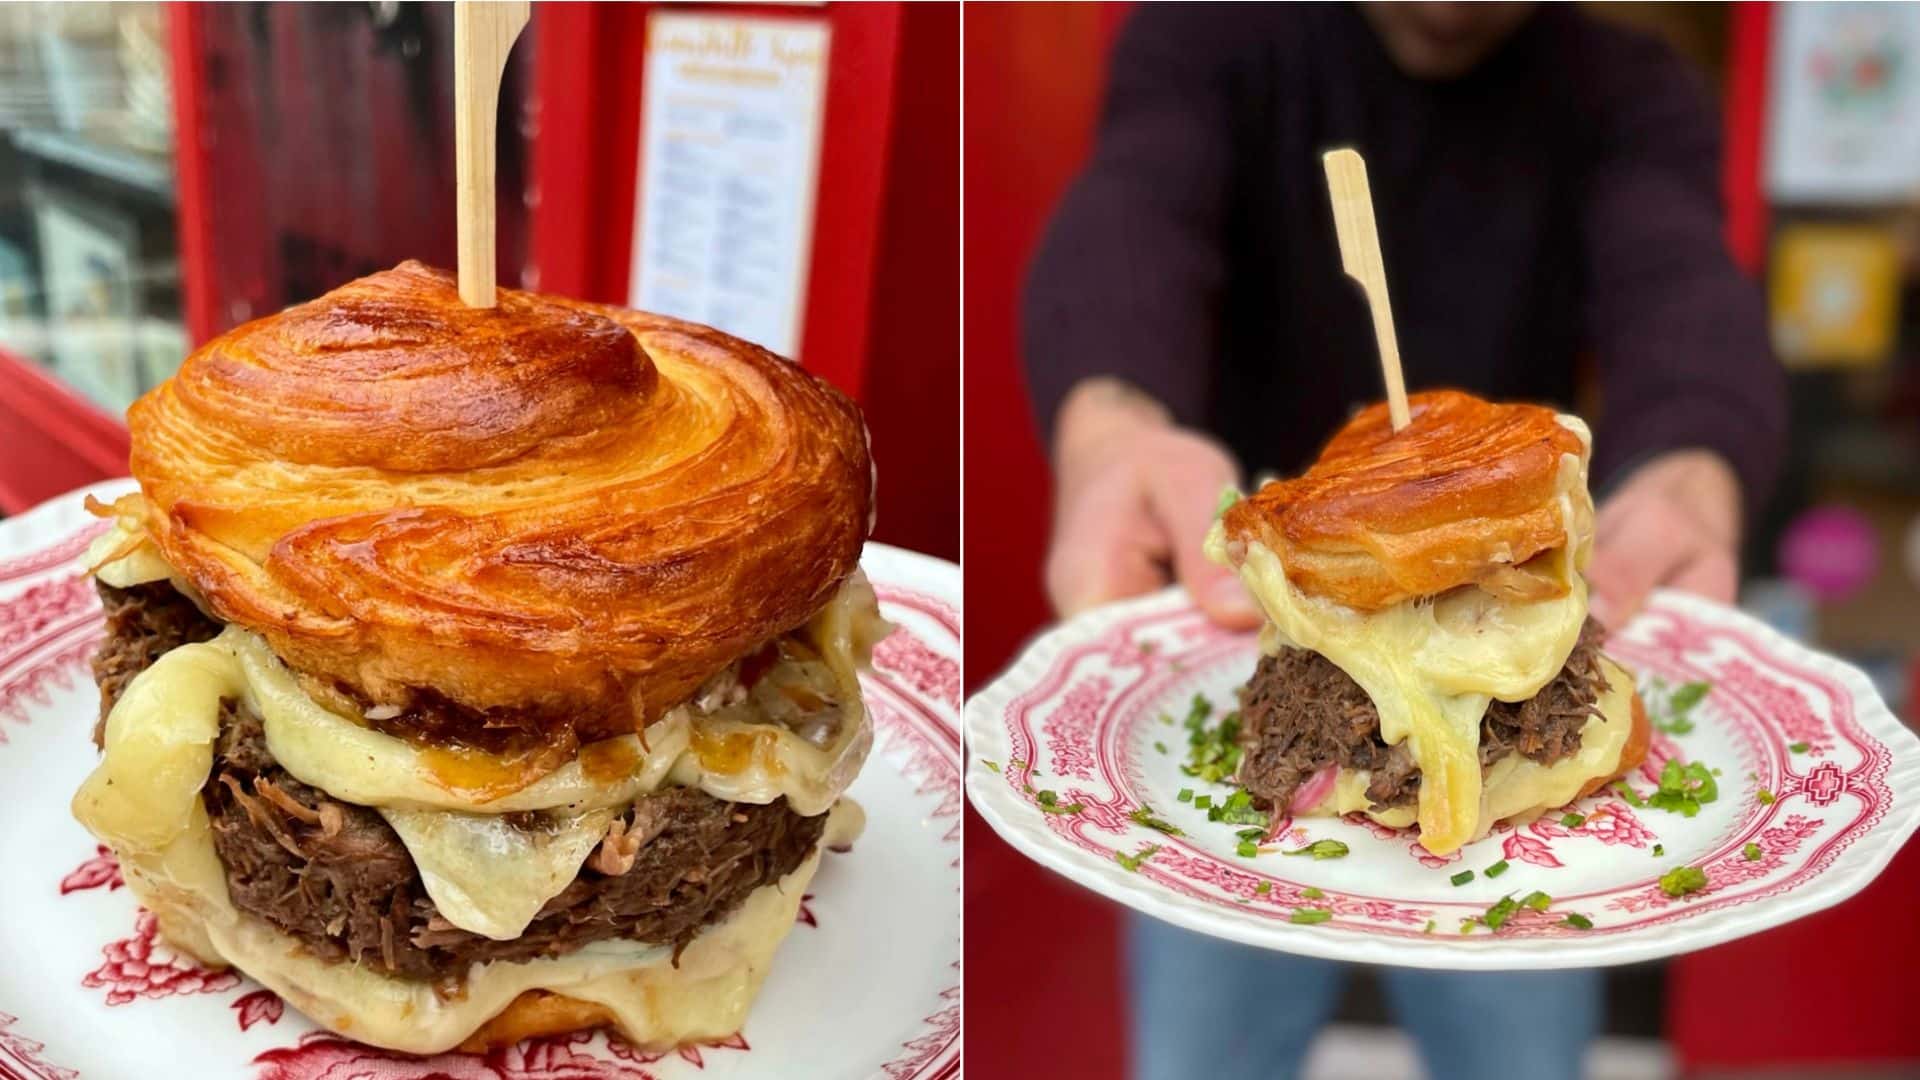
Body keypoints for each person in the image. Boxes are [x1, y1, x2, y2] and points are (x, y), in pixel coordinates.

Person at [1023, 5, 1785, 1080]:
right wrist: (1111, 429)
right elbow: (1134, 213)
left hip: (1518, 722)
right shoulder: (1208, 34)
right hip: (1260, 654)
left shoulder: (1628, 87)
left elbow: (1680, 281)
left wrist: (1694, 465)